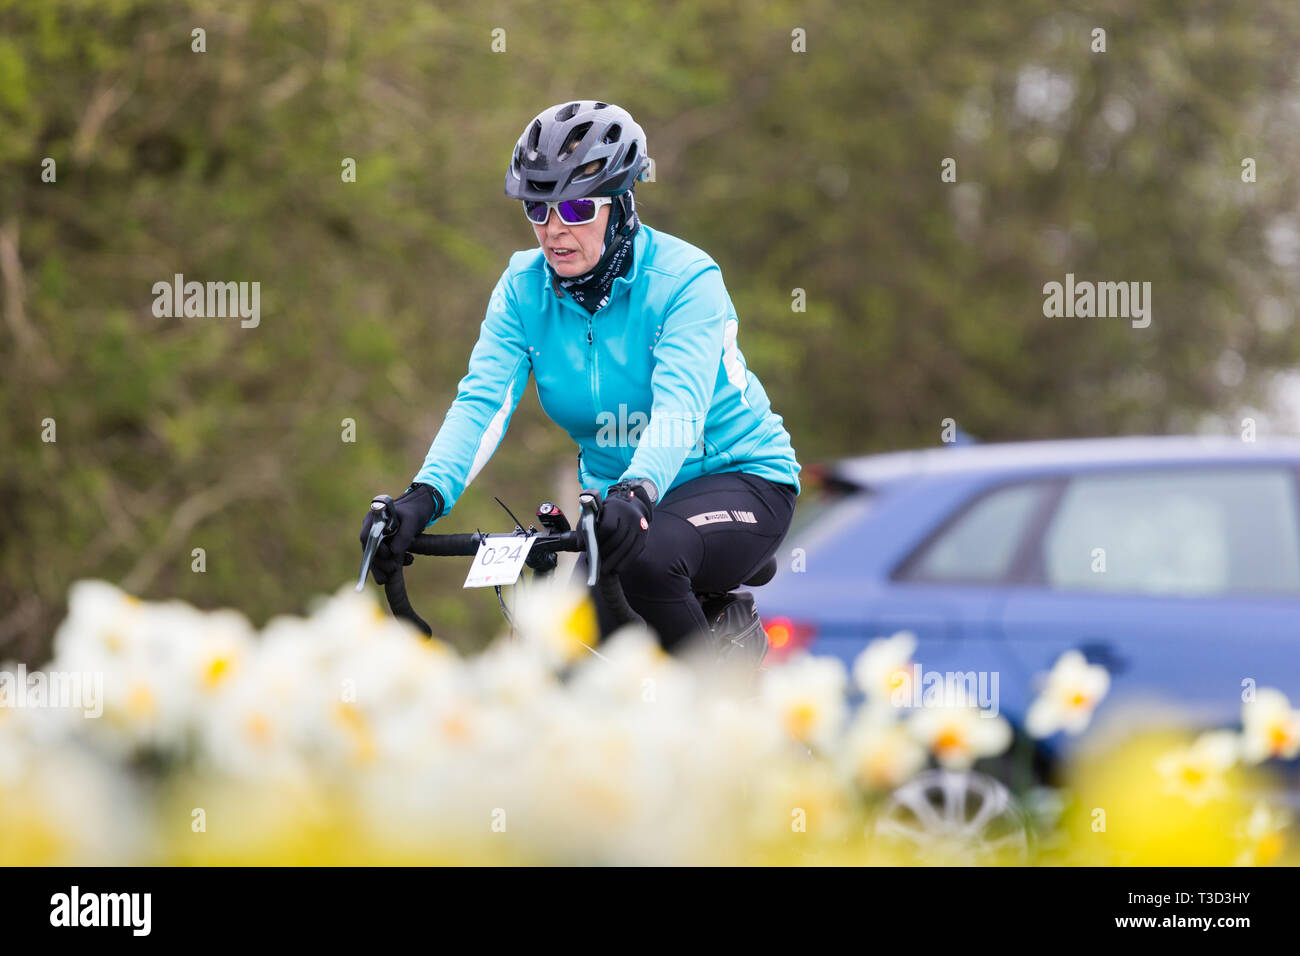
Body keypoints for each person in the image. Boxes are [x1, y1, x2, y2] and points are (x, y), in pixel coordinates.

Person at [361, 100, 801, 651]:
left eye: (575, 211)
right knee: (565, 658)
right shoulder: (523, 289)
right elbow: (481, 405)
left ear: (620, 206)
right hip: (617, 510)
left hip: (737, 478)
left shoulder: (685, 279)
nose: (553, 230)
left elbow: (680, 409)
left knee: (647, 564)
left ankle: (729, 725)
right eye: (538, 210)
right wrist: (422, 497)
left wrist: (637, 491)